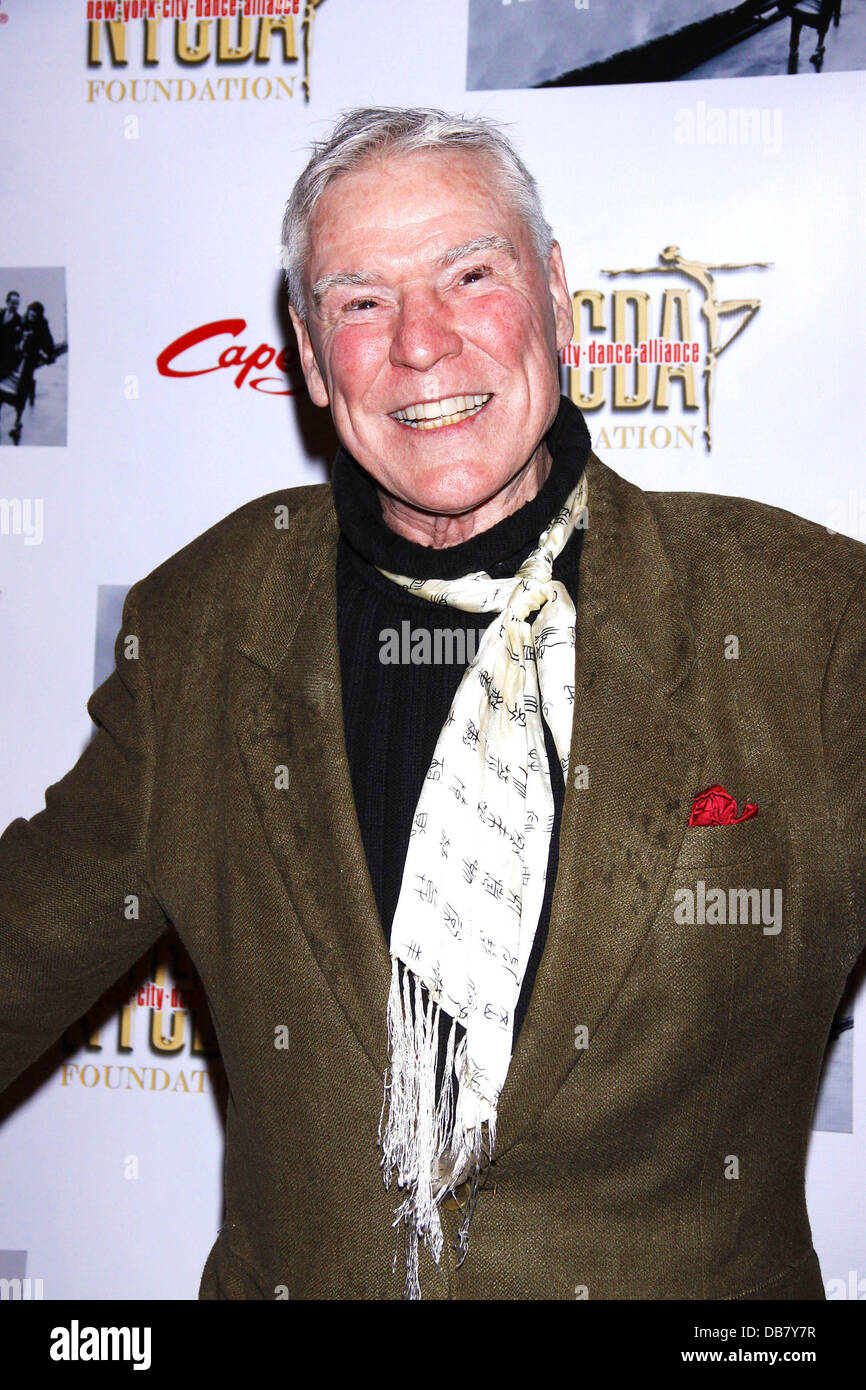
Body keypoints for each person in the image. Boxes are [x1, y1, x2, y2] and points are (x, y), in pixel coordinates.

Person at [0, 106, 863, 1301]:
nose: (420, 343)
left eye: (470, 274)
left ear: (555, 293)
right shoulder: (206, 625)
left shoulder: (807, 629)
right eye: (360, 301)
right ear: (306, 354)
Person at [0, 301, 56, 444]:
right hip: (14, 363)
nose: (31, 316)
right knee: (1, 388)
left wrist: (48, 356)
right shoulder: (22, 321)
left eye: (34, 314)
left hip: (27, 366)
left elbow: (49, 346)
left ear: (38, 316)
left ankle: (17, 423)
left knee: (20, 395)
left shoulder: (42, 328)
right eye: (30, 313)